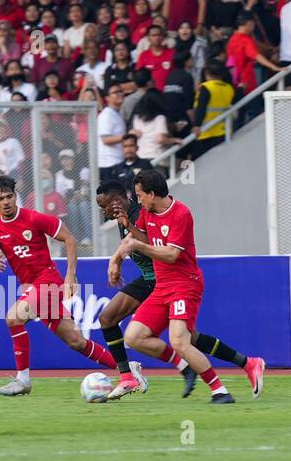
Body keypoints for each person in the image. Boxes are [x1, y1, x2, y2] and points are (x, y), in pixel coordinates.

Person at [108, 169, 265, 404]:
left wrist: (137, 247)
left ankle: (220, 391)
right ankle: (247, 363)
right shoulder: (146, 213)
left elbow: (171, 255)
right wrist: (128, 230)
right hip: (162, 286)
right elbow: (143, 239)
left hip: (184, 284)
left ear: (151, 194)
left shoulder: (181, 214)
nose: (138, 200)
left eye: (140, 196)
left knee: (180, 340)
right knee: (134, 336)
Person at [0, 175, 117, 397]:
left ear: (16, 196)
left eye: (9, 196)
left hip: (48, 280)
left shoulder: (34, 218)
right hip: (30, 288)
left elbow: (70, 239)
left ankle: (23, 379)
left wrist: (70, 276)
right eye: (0, 198)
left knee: (13, 318)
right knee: (76, 341)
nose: (5, 202)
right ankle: (129, 370)